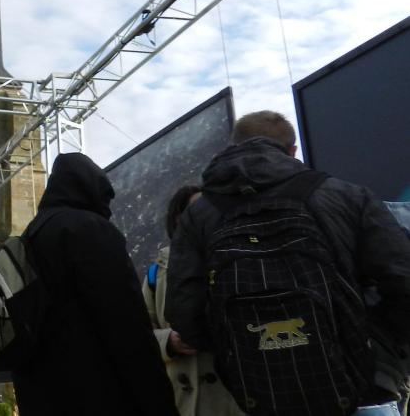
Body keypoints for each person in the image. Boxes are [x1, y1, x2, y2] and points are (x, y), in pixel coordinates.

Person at [167, 110, 410, 416]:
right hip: (363, 387)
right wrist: (380, 345)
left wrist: (237, 353)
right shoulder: (343, 194)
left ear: (231, 147)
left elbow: (184, 314)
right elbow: (403, 280)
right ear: (292, 151)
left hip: (262, 393)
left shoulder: (198, 216)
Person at [10, 152, 178, 416]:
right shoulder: (90, 229)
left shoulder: (29, 236)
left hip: (41, 396)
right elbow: (127, 326)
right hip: (98, 392)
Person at [144, 185, 243, 416]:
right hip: (186, 398)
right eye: (197, 209)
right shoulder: (156, 273)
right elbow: (138, 331)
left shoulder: (237, 257)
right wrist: (168, 341)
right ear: (179, 219)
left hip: (236, 396)